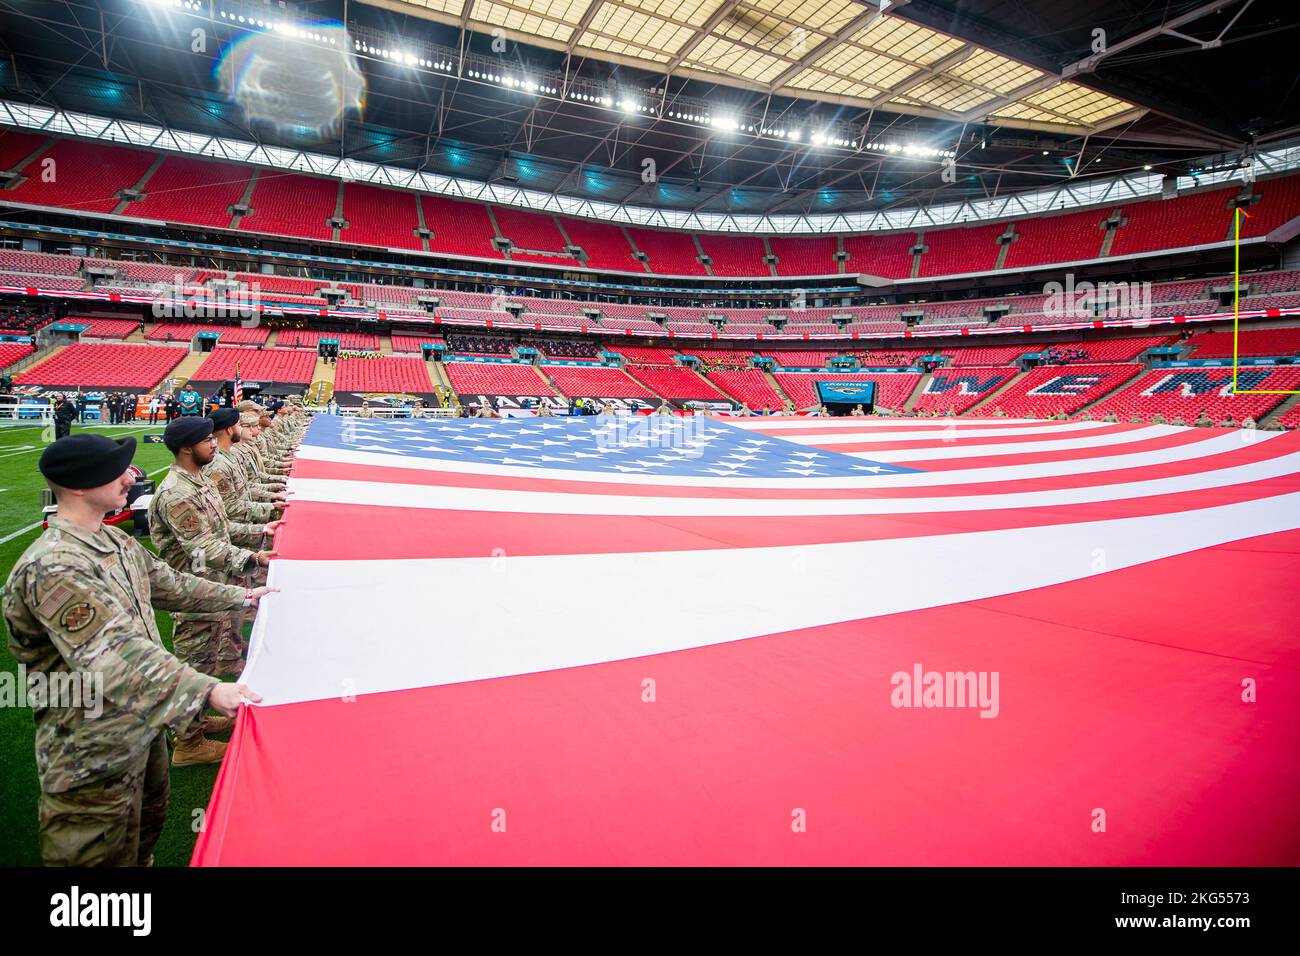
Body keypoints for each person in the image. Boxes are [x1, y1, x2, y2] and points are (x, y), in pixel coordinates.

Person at [3, 433, 271, 866]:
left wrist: (243, 598)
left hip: (141, 722)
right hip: (91, 746)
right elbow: (113, 651)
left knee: (143, 839)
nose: (132, 477)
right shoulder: (53, 565)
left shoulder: (116, 542)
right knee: (96, 858)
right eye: (117, 470)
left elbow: (172, 585)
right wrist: (206, 691)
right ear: (77, 486)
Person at [148, 417, 278, 765]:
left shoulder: (198, 480)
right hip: (194, 590)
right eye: (206, 440)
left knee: (205, 660)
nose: (213, 443)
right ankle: (188, 743)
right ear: (187, 448)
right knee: (194, 662)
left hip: (212, 584)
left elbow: (222, 528)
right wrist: (252, 558)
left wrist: (261, 529)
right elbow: (201, 546)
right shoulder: (177, 493)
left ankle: (199, 720)